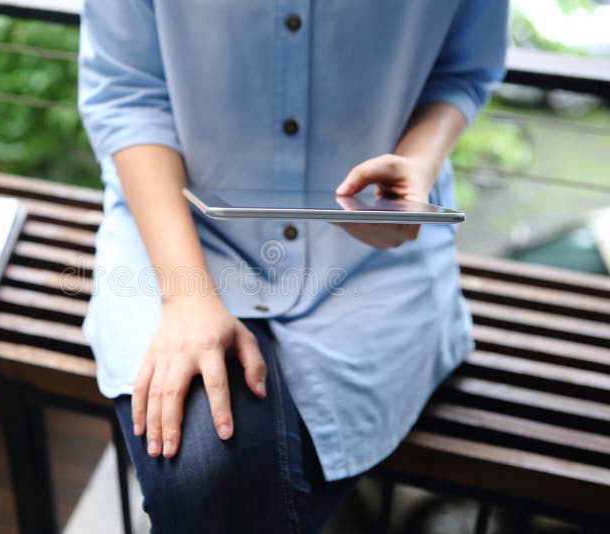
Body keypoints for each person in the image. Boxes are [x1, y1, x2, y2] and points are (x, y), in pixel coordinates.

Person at [78, 1, 508, 532]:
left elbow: (463, 70)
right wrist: (187, 295)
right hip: (179, 235)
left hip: (367, 255)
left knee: (219, 494)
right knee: (205, 476)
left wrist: (415, 168)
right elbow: (126, 91)